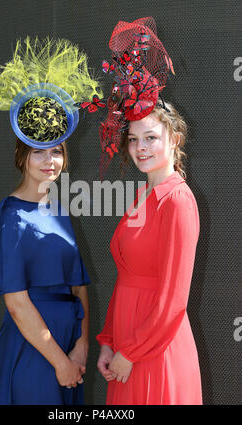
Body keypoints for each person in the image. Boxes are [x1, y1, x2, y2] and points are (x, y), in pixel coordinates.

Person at [0, 36, 102, 405]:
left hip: (68, 349)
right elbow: (16, 303)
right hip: (35, 353)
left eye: (57, 151)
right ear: (21, 156)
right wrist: (60, 361)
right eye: (38, 151)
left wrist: (80, 349)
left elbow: (79, 288)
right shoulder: (9, 216)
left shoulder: (61, 211)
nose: (50, 160)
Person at [94, 17, 202, 404]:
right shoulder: (140, 199)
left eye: (151, 138)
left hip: (156, 354)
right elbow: (125, 280)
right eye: (134, 139)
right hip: (126, 349)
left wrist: (130, 352)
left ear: (173, 138)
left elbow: (174, 300)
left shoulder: (178, 201)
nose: (140, 147)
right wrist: (108, 342)